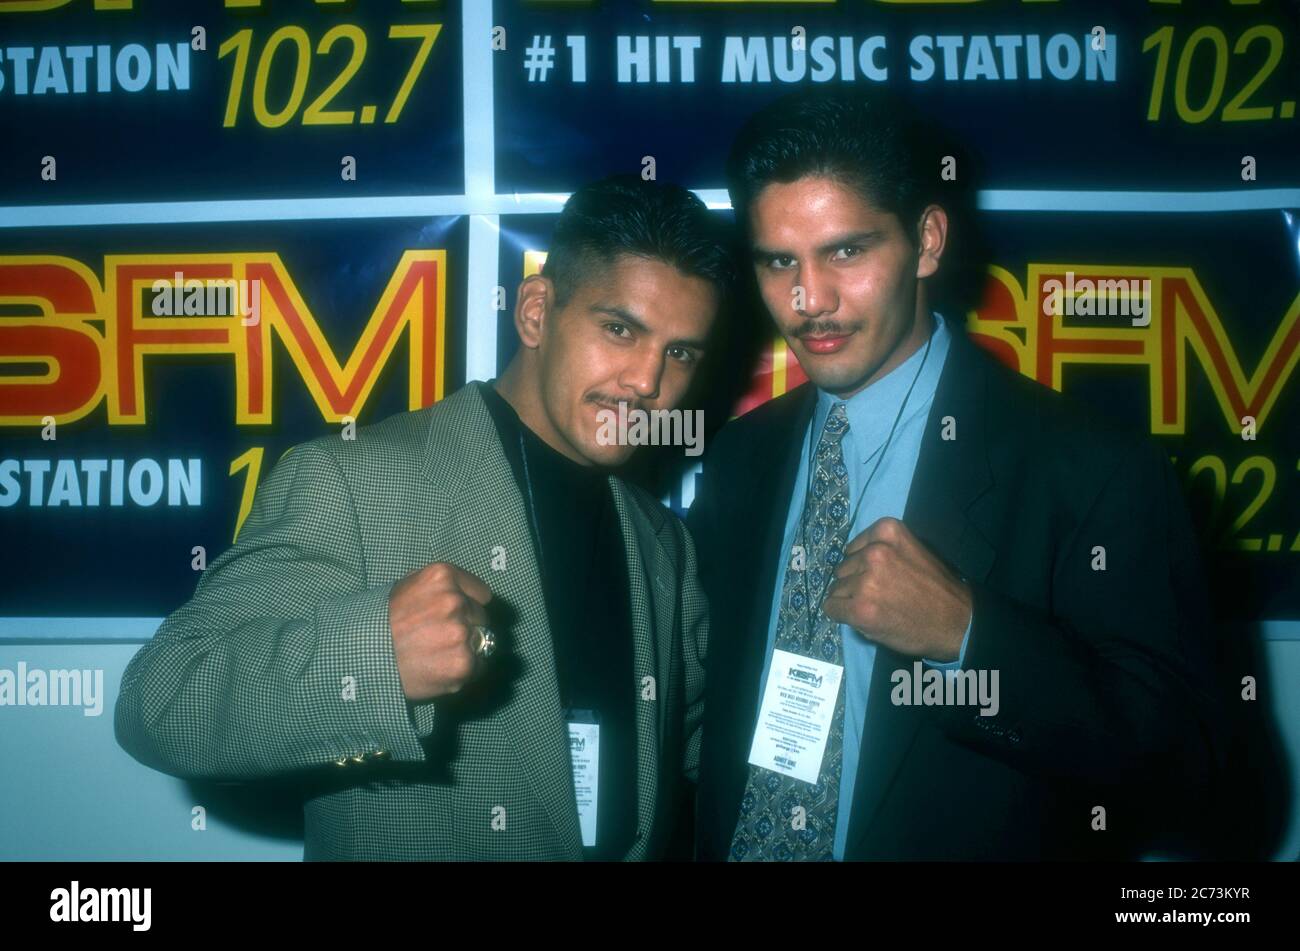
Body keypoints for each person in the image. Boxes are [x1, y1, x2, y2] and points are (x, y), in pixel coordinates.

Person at [115, 174, 731, 861]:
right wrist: (377, 660)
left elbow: (699, 747)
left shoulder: (662, 542)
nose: (648, 382)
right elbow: (162, 703)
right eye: (620, 328)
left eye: (679, 353)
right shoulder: (353, 479)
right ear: (535, 311)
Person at [688, 89, 1223, 861]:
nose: (811, 300)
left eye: (846, 251)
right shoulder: (740, 459)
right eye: (780, 262)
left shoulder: (1090, 466)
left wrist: (970, 638)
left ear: (928, 240)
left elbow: (1190, 770)